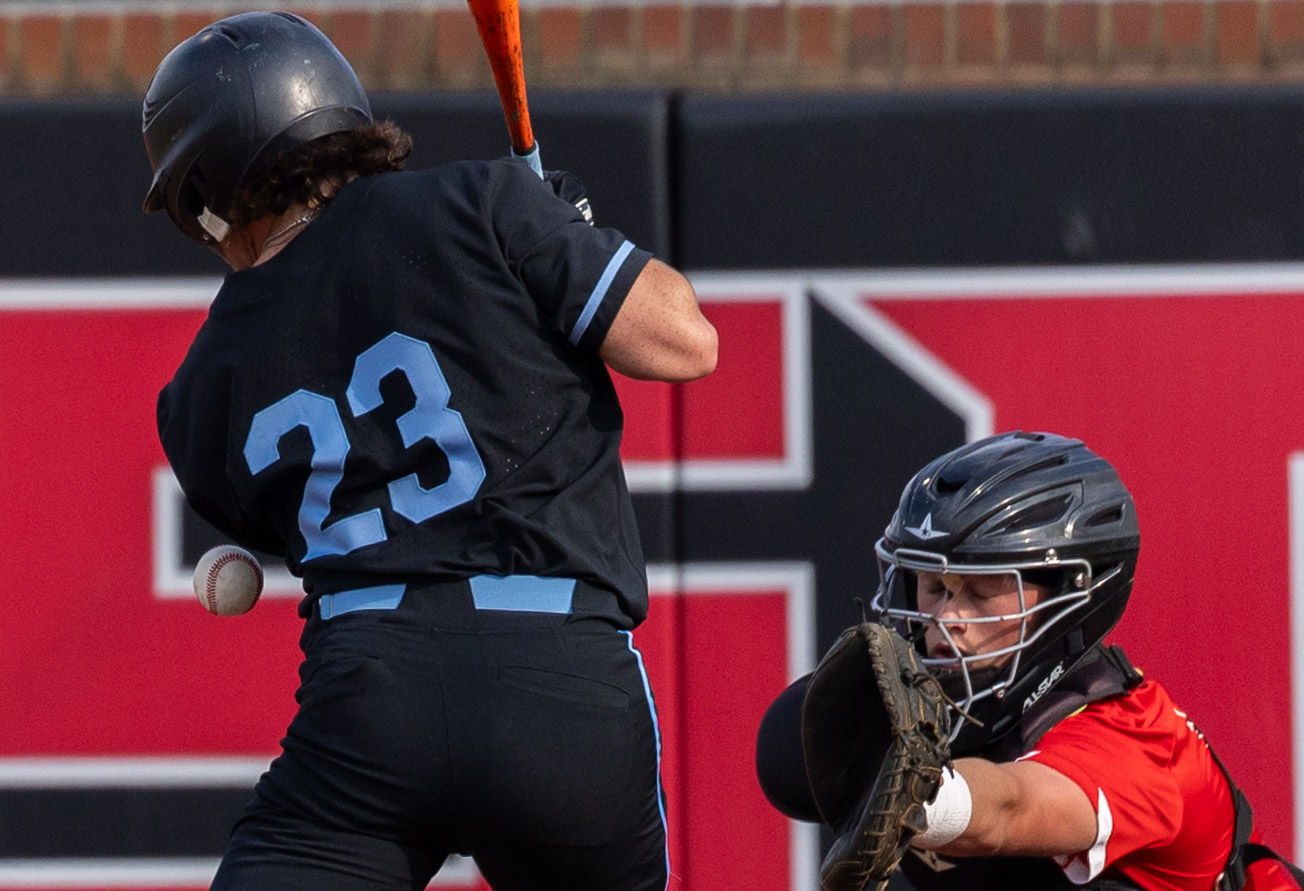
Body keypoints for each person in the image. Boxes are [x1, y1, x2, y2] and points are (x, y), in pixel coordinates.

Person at [141, 11, 716, 891]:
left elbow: (268, 519)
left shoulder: (201, 383)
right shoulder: (484, 200)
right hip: (564, 687)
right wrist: (567, 240)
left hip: (372, 703)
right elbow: (686, 344)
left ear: (207, 201)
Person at [755, 431, 1302, 890]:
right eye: (934, 586)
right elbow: (784, 762)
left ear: (1070, 596)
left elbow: (1009, 809)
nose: (947, 617)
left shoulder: (1138, 742)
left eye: (982, 590)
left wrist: (923, 798)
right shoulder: (932, 701)